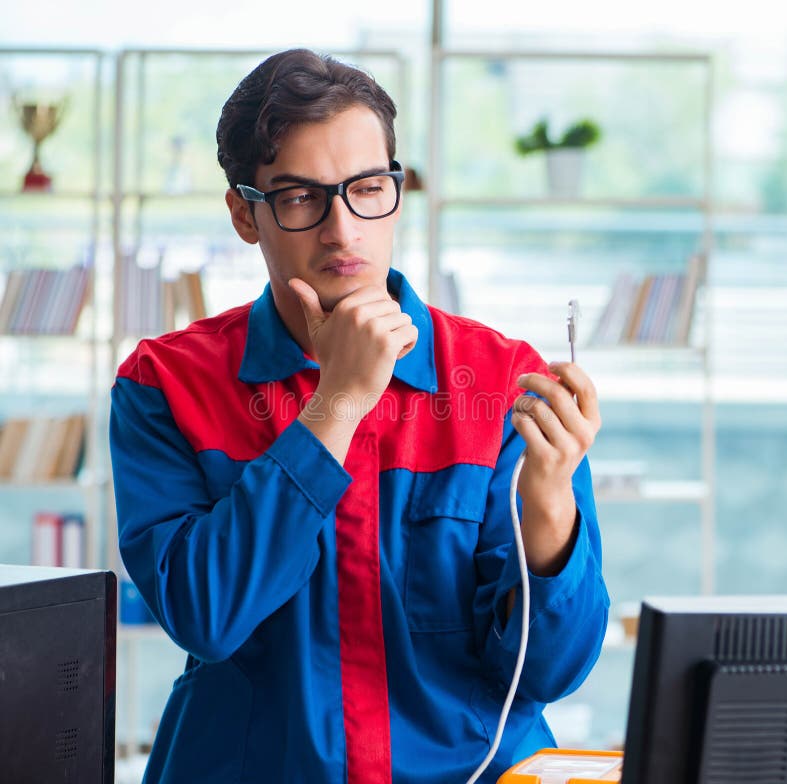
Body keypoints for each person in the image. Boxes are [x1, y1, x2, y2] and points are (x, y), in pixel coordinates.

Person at [109, 48, 609, 784]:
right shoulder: (164, 383)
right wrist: (335, 405)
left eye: (368, 189)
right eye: (300, 197)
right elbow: (206, 615)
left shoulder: (501, 380)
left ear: (396, 195)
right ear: (245, 214)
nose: (343, 231)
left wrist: (548, 511)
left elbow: (550, 674)